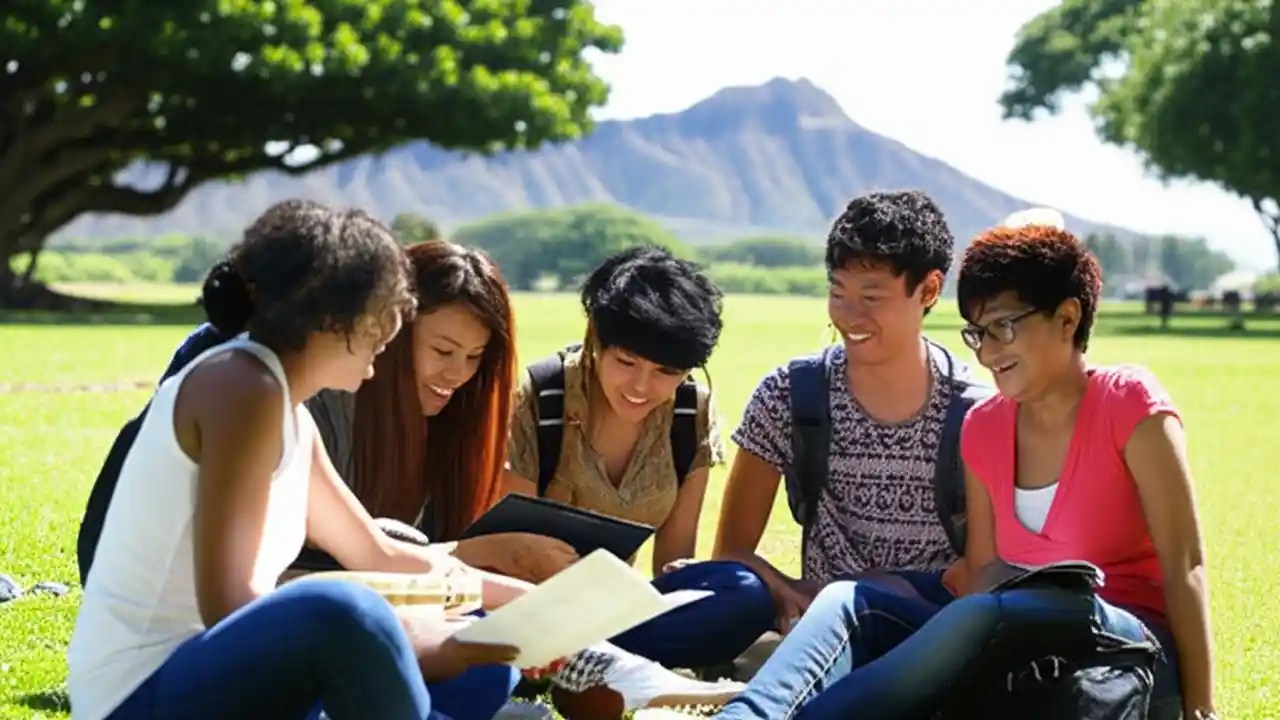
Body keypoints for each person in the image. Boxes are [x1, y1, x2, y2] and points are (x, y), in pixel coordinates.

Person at [691, 219, 1215, 720]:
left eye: (1004, 328)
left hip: (1121, 634)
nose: (988, 352)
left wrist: (1201, 705)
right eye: (977, 333)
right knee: (848, 600)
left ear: (1068, 318)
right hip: (1011, 626)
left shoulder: (1130, 403)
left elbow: (1185, 565)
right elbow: (984, 572)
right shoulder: (983, 425)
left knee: (986, 613)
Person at [67, 200, 536, 720]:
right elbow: (229, 606)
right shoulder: (240, 387)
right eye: (386, 311)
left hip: (232, 678)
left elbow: (378, 553)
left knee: (484, 657)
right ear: (330, 317)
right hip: (145, 691)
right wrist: (402, 632)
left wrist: (515, 598)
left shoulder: (291, 412)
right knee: (347, 612)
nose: (393, 331)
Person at [710, 190, 987, 656]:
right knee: (721, 585)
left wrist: (866, 595)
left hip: (927, 628)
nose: (849, 316)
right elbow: (733, 551)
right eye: (838, 293)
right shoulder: (789, 394)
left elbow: (979, 573)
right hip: (817, 624)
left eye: (871, 297)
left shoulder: (977, 411)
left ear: (930, 290)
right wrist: (786, 591)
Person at [502, 247, 771, 694]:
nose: (642, 388)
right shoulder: (540, 397)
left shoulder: (690, 412)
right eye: (626, 363)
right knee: (496, 629)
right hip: (530, 602)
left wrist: (672, 577)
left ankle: (590, 667)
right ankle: (602, 669)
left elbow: (671, 563)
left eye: (666, 371)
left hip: (622, 612)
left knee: (743, 591)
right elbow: (511, 553)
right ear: (595, 337)